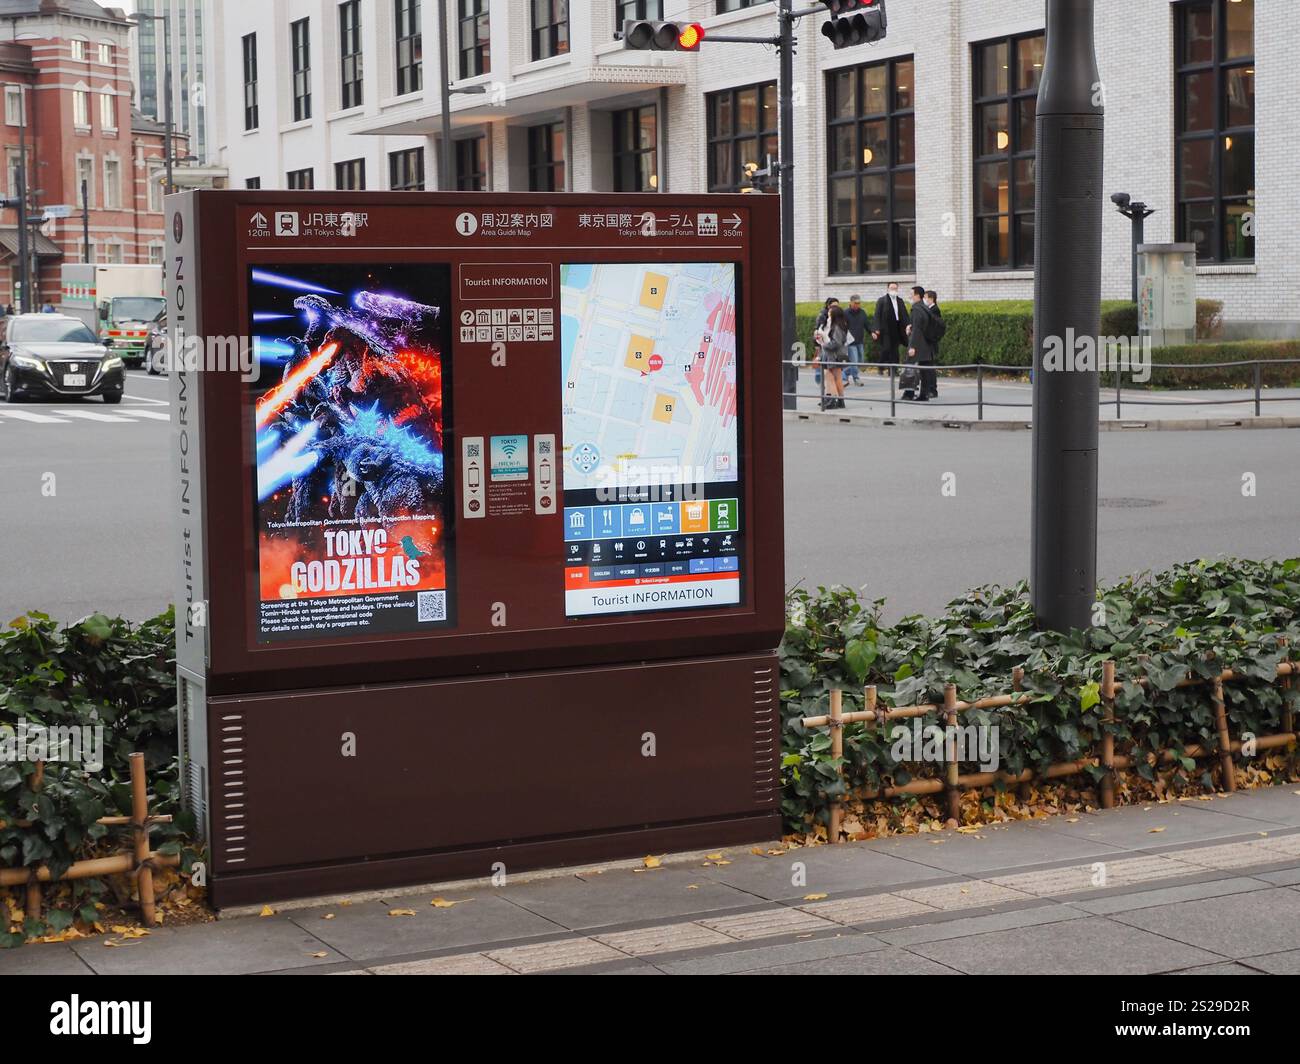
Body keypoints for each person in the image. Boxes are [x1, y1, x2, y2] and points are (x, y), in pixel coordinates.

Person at [815, 303, 850, 410]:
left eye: (830, 314)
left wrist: (824, 345)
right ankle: (840, 400)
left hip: (833, 355)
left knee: (829, 376)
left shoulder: (837, 327)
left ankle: (833, 399)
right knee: (837, 378)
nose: (828, 316)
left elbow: (836, 343)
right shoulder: (840, 325)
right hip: (836, 354)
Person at [906, 286, 938, 403]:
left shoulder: (916, 309)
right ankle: (924, 394)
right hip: (927, 343)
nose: (910, 296)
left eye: (912, 294)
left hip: (919, 344)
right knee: (925, 370)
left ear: (917, 295)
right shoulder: (925, 308)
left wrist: (912, 346)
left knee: (911, 366)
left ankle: (910, 393)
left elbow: (917, 329)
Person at [871, 282, 908, 376]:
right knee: (886, 348)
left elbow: (904, 314)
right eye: (892, 288)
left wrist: (908, 325)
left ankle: (893, 370)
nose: (893, 290)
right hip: (886, 328)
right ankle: (881, 366)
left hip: (897, 327)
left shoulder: (900, 301)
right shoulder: (882, 300)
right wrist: (876, 328)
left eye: (895, 288)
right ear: (887, 289)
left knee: (895, 350)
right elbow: (877, 315)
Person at [921, 290, 944, 400]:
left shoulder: (934, 310)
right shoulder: (930, 310)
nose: (924, 300)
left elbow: (933, 327)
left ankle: (932, 389)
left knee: (930, 368)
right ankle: (927, 389)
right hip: (927, 343)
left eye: (925, 297)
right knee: (927, 367)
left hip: (930, 343)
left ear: (931, 299)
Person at [812, 296, 839, 388]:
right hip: (822, 344)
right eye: (833, 306)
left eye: (837, 306)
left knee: (830, 368)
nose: (835, 308)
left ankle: (828, 386)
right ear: (828, 306)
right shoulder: (823, 315)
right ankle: (820, 381)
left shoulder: (837, 315)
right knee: (821, 363)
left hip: (831, 345)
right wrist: (817, 344)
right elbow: (817, 330)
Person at [843, 294, 869, 386]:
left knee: (860, 361)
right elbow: (842, 327)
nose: (858, 305)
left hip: (860, 341)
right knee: (854, 361)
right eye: (856, 303)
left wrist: (872, 332)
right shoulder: (845, 313)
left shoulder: (862, 312)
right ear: (851, 303)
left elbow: (867, 324)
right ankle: (856, 378)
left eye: (859, 303)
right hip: (850, 342)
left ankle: (844, 373)